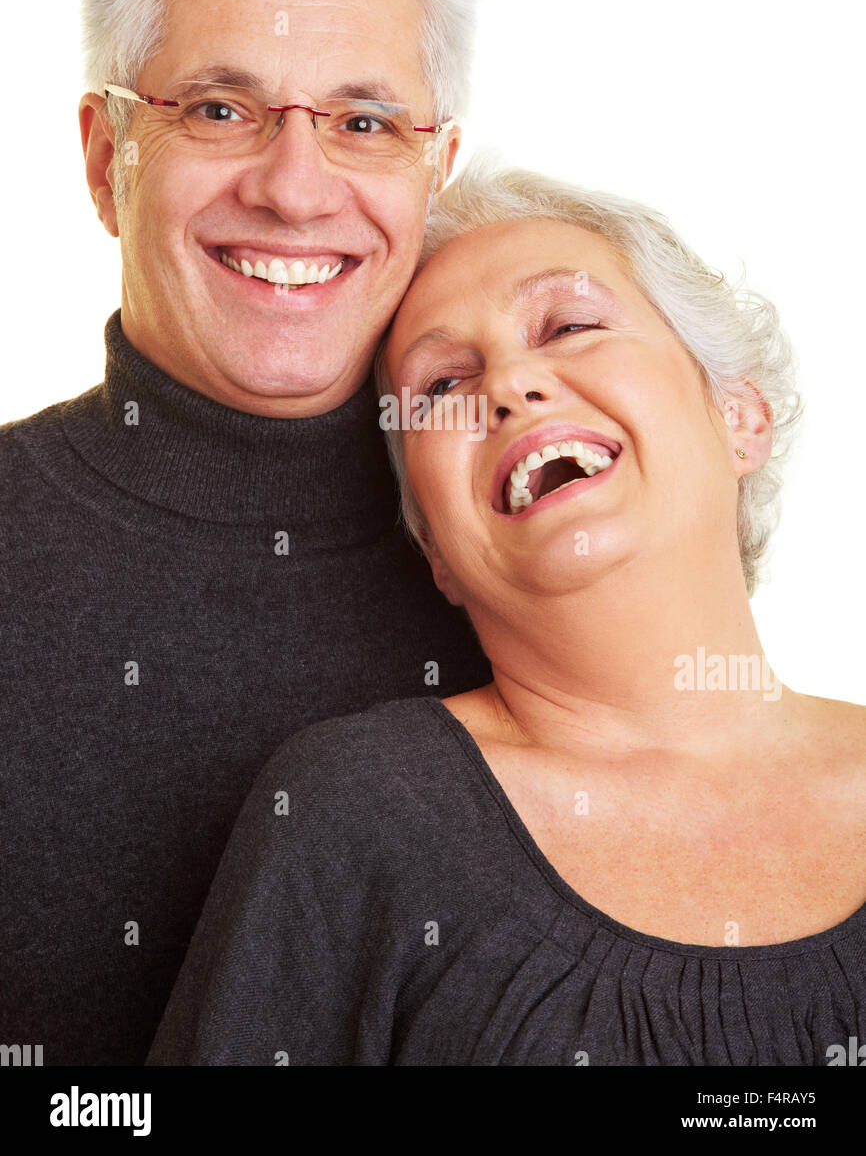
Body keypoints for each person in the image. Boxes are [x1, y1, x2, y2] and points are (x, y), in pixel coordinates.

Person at [147, 158, 866, 1066]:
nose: (511, 387)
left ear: (741, 416)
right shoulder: (358, 812)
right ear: (435, 552)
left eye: (569, 326)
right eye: (441, 386)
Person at [0, 0, 490, 1067]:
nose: (295, 186)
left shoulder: (539, 554)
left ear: (433, 169)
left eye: (364, 120)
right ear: (109, 160)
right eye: (220, 109)